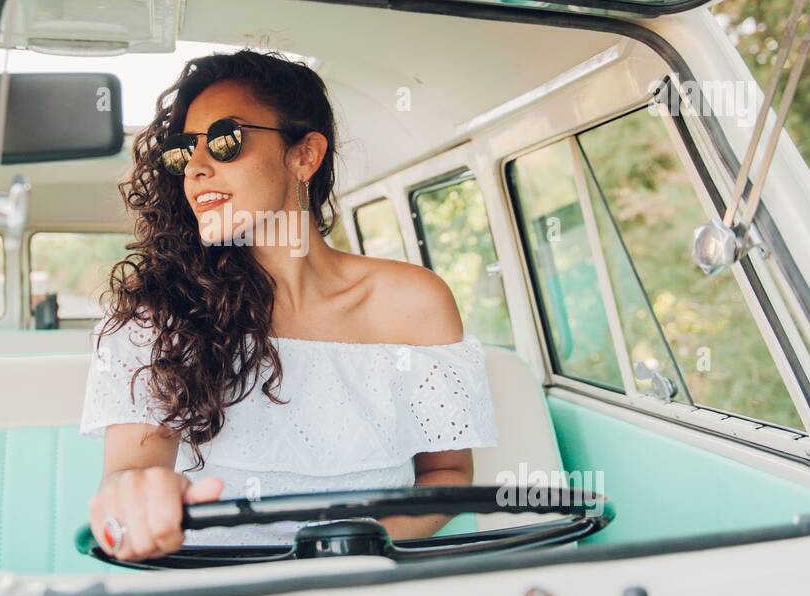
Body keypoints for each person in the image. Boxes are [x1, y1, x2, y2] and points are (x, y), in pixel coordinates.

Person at [79, 49, 497, 559]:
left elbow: (447, 472)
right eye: (183, 151)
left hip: (369, 589)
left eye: (225, 141)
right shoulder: (158, 312)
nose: (195, 169)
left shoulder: (415, 304)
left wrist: (356, 548)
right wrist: (130, 499)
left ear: (304, 155)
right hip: (212, 592)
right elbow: (132, 472)